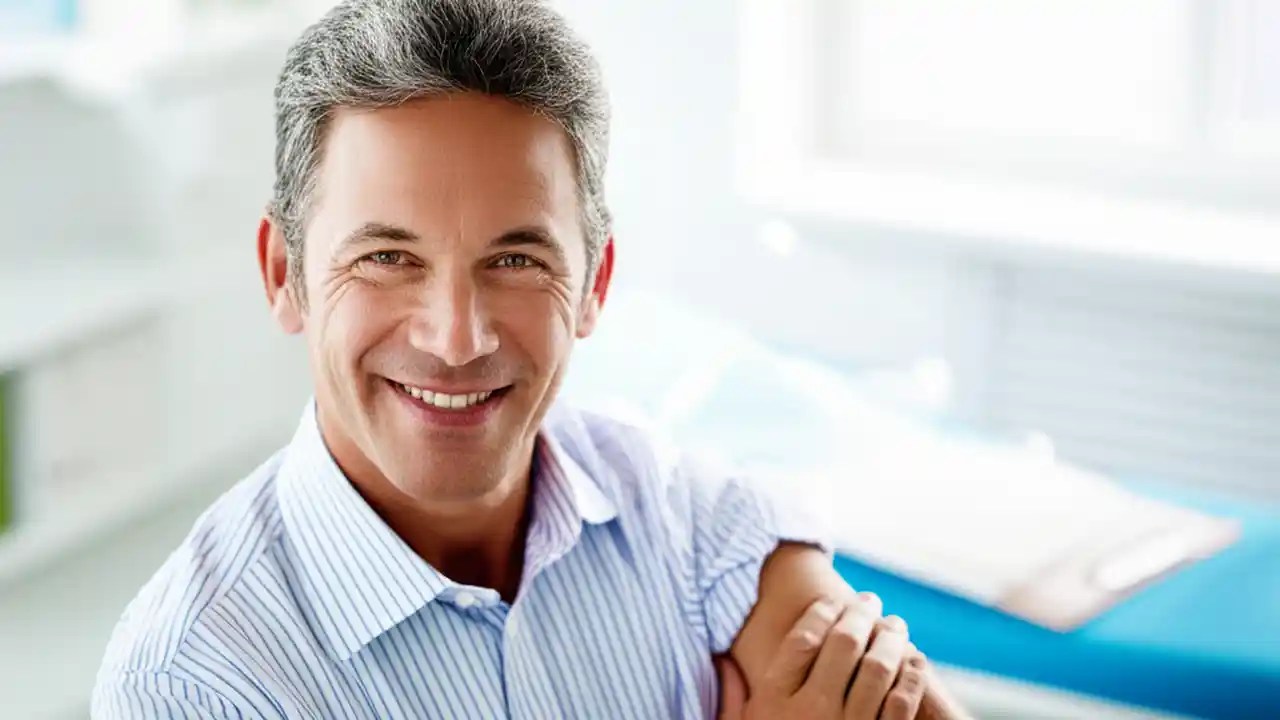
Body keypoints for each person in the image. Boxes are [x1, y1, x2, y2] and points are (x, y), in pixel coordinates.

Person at [93, 1, 967, 717]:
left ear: (594, 283)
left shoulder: (683, 517)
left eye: (515, 261)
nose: (457, 337)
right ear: (286, 276)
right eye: (388, 258)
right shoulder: (192, 683)